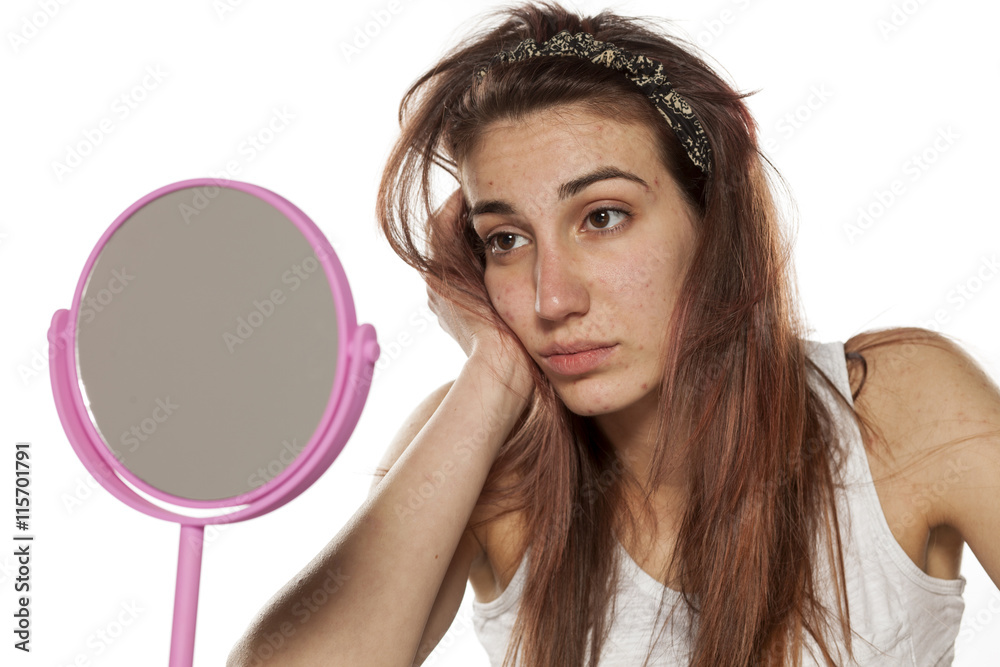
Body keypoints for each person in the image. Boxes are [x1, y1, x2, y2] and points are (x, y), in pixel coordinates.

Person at [227, 2, 1000, 665]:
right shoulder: (479, 455)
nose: (550, 298)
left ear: (713, 223)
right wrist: (494, 368)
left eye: (602, 217)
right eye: (505, 238)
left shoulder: (900, 407)